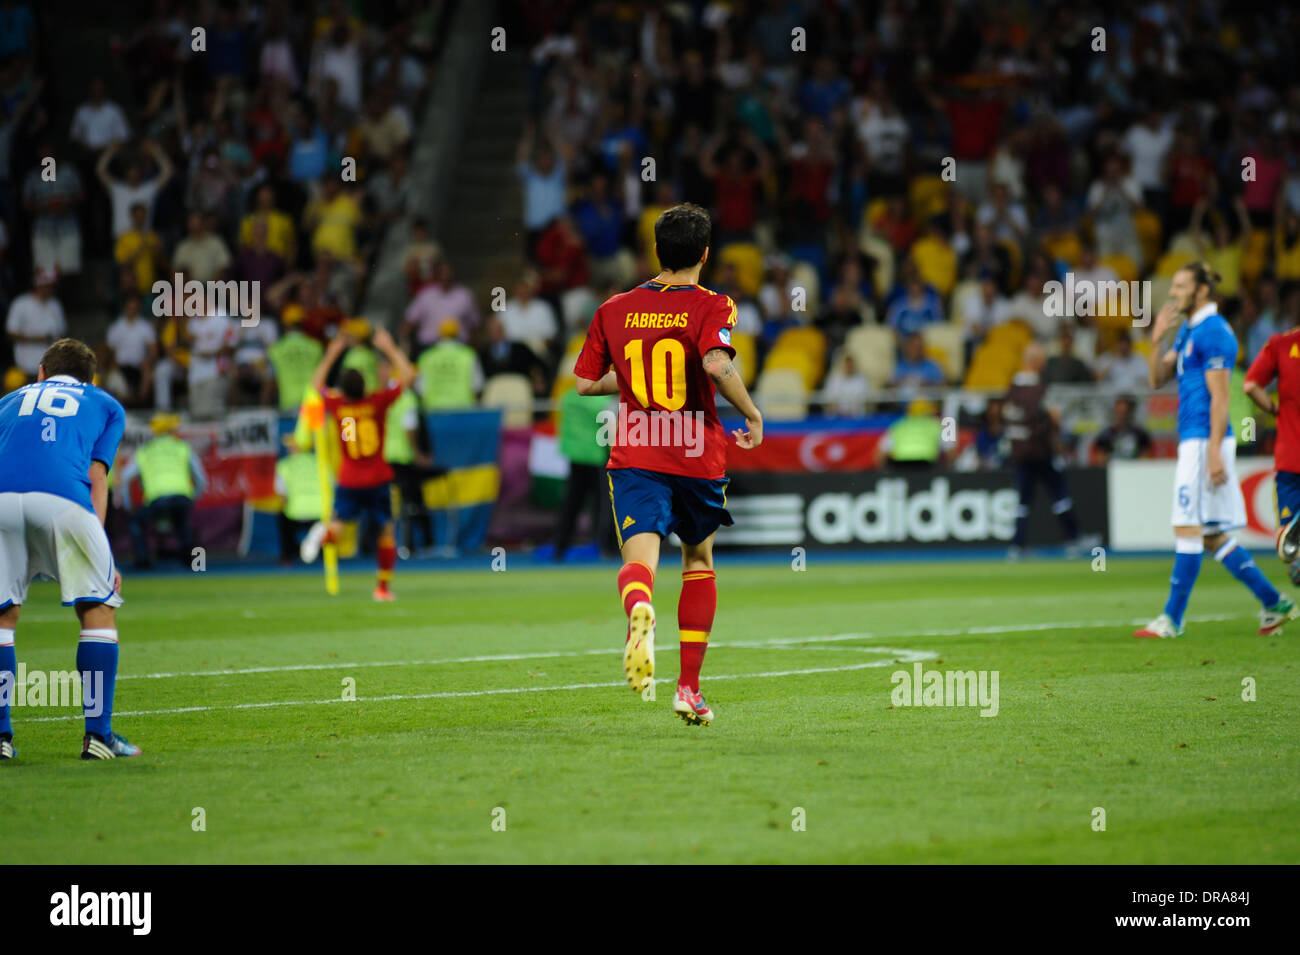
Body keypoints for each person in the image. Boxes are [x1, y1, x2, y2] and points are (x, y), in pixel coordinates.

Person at [573, 202, 764, 726]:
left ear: (656, 251)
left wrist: (633, 383)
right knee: (698, 563)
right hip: (696, 452)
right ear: (706, 253)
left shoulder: (614, 308)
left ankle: (640, 608)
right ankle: (688, 688)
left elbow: (586, 383)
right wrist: (750, 411)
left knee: (640, 564)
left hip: (636, 447)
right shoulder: (713, 305)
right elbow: (715, 363)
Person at [1134, 263, 1293, 638]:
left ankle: (1172, 619)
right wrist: (1157, 340)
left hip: (1205, 439)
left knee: (1186, 526)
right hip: (1195, 438)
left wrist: (1216, 454)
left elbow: (1221, 397)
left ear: (1202, 290)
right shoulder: (1188, 330)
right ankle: (1274, 603)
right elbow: (1157, 379)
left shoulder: (1216, 333)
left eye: (1180, 286)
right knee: (1210, 535)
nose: (1173, 293)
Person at [0, 337, 138, 759]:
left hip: (2, 500)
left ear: (41, 372)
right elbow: (98, 477)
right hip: (65, 499)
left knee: (3, 616)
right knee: (96, 609)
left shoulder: (7, 401)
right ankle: (98, 736)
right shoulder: (106, 404)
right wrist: (102, 552)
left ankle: (1, 738)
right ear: (89, 379)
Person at [299, 326, 417, 601]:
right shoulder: (377, 402)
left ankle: (322, 531)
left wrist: (331, 355)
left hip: (349, 478)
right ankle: (382, 588)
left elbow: (315, 388)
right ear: (365, 386)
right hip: (377, 477)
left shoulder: (339, 405)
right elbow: (408, 376)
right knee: (386, 532)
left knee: (338, 529)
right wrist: (389, 348)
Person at [1003, 342, 1085, 559]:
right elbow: (1055, 418)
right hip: (1040, 450)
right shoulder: (1041, 389)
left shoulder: (1012, 388)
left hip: (1018, 451)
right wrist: (1057, 439)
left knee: (1023, 500)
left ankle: (1017, 546)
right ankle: (1073, 540)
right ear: (1037, 362)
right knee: (1059, 495)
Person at [1244, 317, 1300, 586]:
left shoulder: (1281, 344)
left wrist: (1274, 408)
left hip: (1290, 459)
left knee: (1288, 547)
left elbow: (1250, 385)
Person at [120, 413, 207, 569]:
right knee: (182, 524)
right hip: (182, 498)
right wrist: (193, 499)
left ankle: (143, 561)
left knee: (136, 522)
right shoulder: (183, 447)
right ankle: (195, 564)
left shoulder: (145, 451)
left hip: (156, 499)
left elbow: (126, 478)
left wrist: (129, 506)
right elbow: (201, 479)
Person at [274, 436, 323, 565]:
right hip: (321, 514)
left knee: (281, 517)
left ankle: (287, 556)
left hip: (294, 513)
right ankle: (325, 555)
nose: (289, 448)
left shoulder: (284, 465)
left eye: (291, 445)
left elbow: (282, 494)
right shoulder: (321, 462)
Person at [1092, 395, 1153, 464]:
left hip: (1135, 471)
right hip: (1112, 471)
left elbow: (1145, 459)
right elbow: (1100, 460)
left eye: (1126, 413)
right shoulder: (1105, 435)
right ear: (1115, 412)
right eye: (1120, 413)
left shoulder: (1141, 434)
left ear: (1131, 413)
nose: (1123, 416)